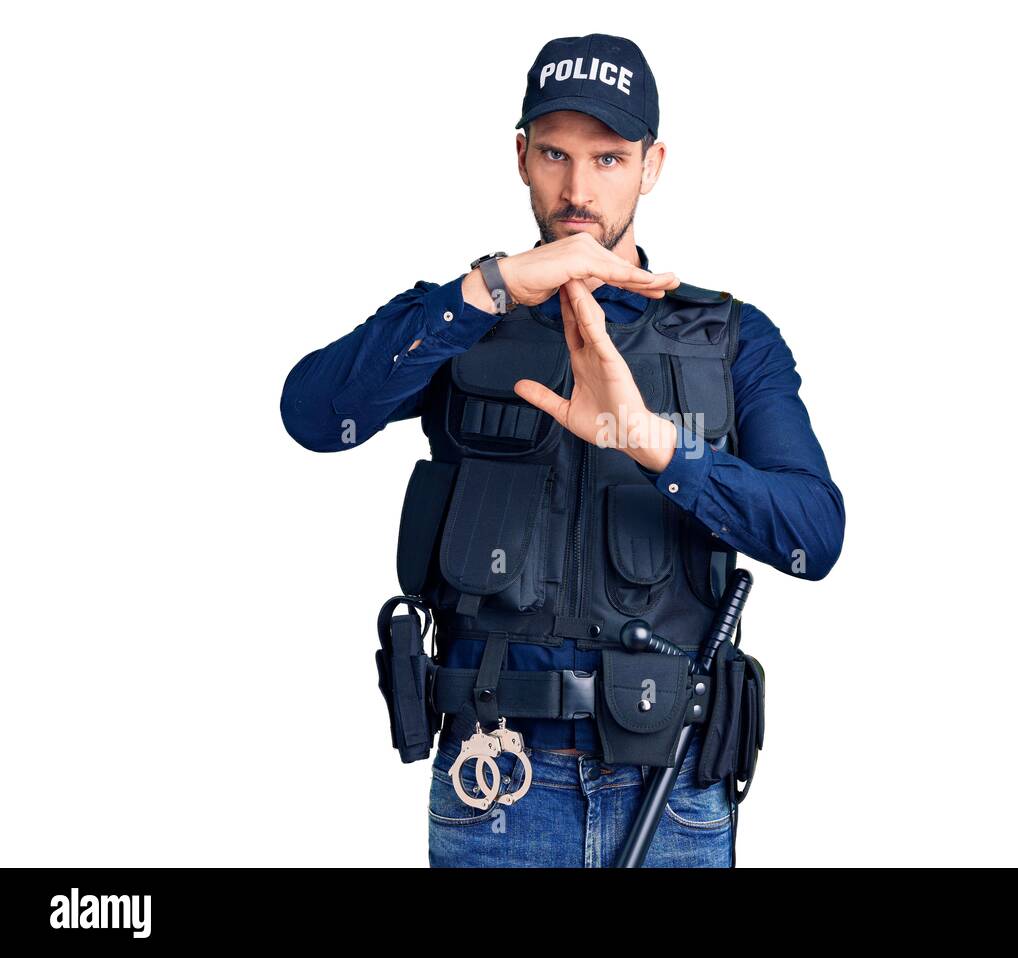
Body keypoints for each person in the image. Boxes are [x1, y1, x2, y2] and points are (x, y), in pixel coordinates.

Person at [280, 33, 845, 868]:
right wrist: (490, 289)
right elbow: (313, 414)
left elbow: (815, 534)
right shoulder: (458, 322)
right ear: (520, 156)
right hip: (496, 784)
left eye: (610, 159)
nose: (578, 190)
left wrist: (649, 440)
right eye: (555, 153)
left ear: (652, 165)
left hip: (673, 788)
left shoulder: (729, 337)